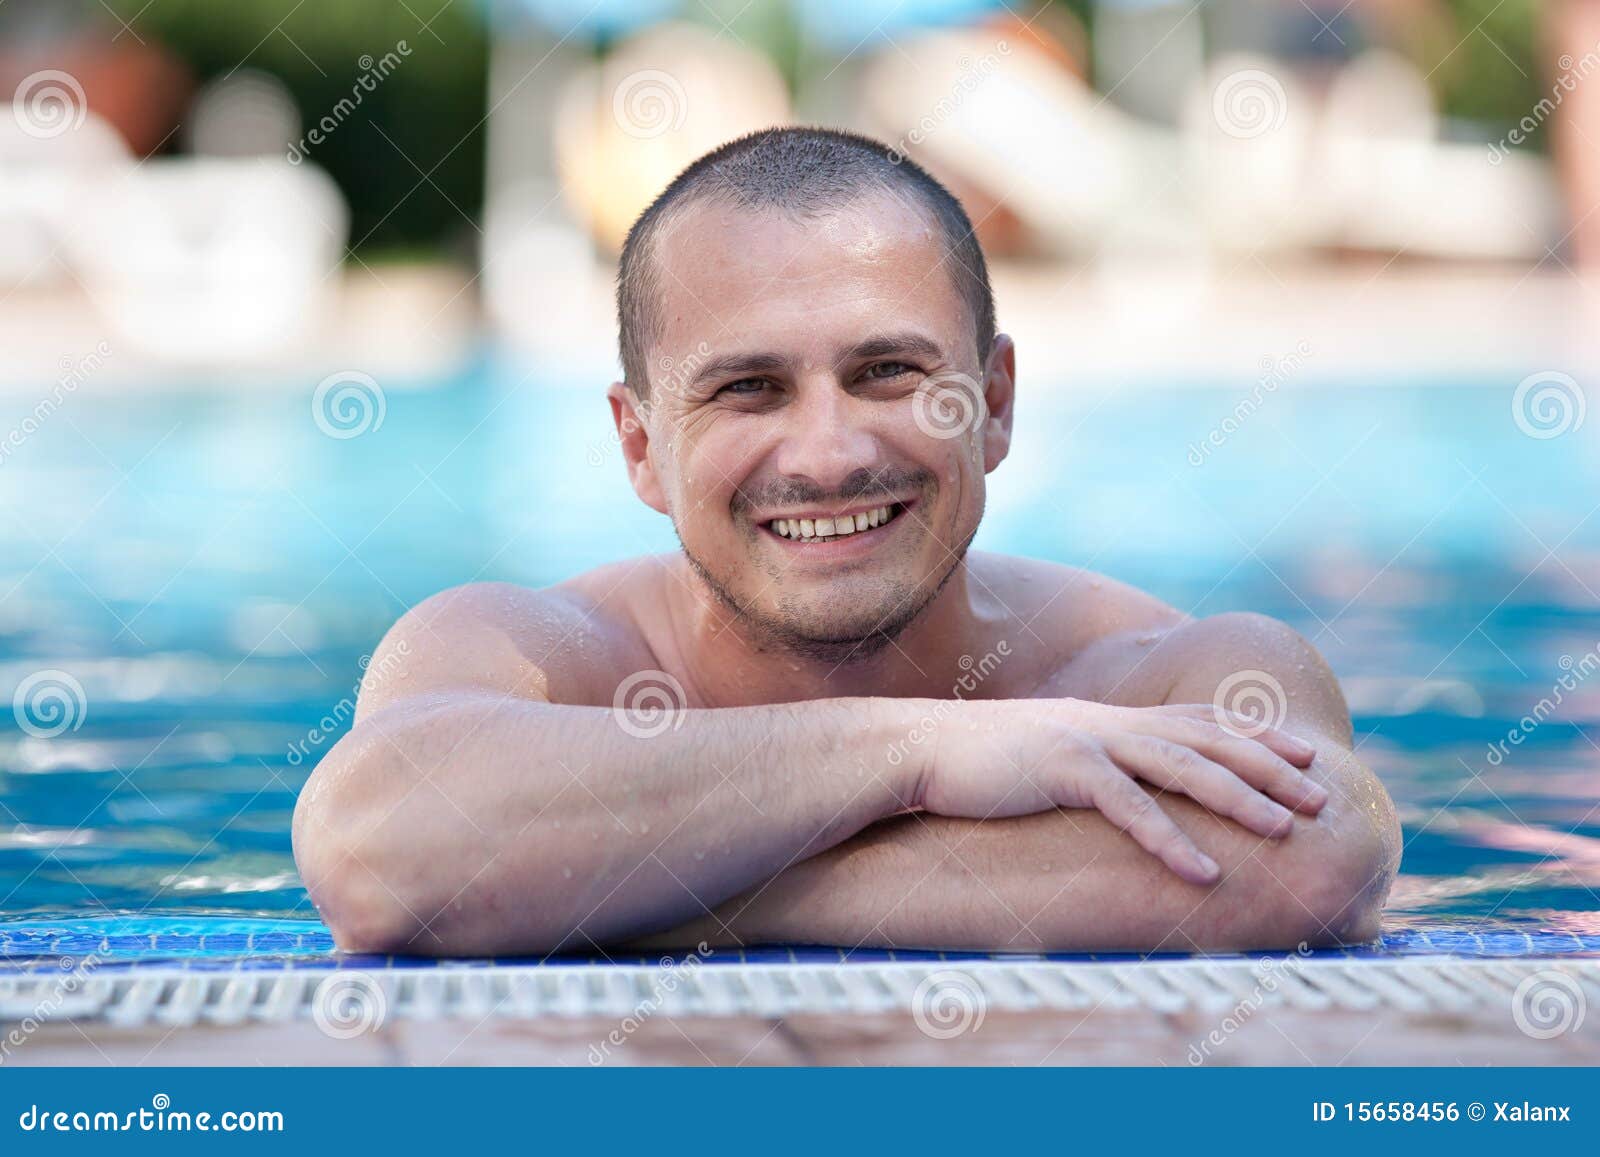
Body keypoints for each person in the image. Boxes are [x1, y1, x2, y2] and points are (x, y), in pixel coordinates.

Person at [292, 127, 1400, 957]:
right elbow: (376, 847)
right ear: (640, 447)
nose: (825, 454)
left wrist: (623, 878)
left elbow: (1312, 855)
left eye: (887, 373)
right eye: (748, 388)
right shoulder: (537, 650)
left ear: (995, 402)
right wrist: (916, 752)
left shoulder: (1155, 672)